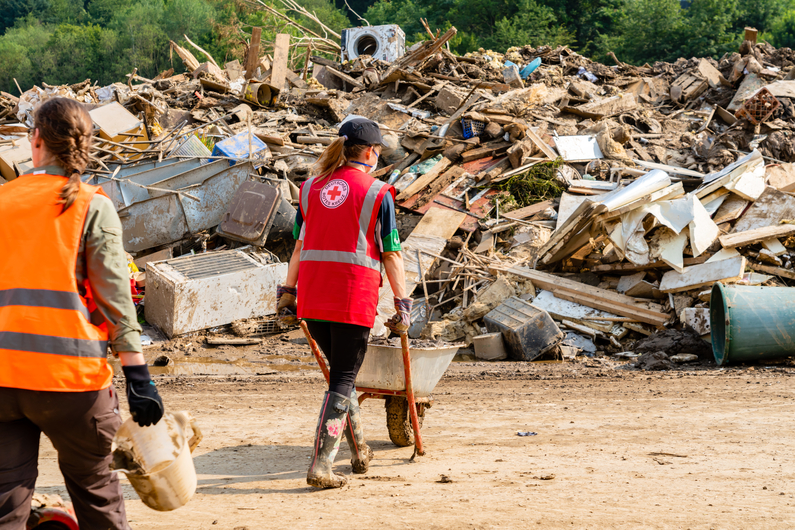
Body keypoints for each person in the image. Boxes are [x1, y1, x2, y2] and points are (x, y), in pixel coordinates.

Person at [0, 97, 165, 529]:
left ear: (36, 139)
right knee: (97, 498)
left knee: (6, 508)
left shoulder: (3, 200)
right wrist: (138, 377)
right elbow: (116, 299)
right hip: (71, 383)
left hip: (3, 379)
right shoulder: (91, 205)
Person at [276, 117, 411, 489]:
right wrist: (402, 303)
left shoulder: (310, 189)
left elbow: (299, 246)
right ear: (369, 152)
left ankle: (359, 451)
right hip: (352, 297)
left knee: (341, 375)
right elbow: (391, 253)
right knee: (342, 380)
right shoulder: (378, 192)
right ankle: (321, 466)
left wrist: (288, 292)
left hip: (313, 297)